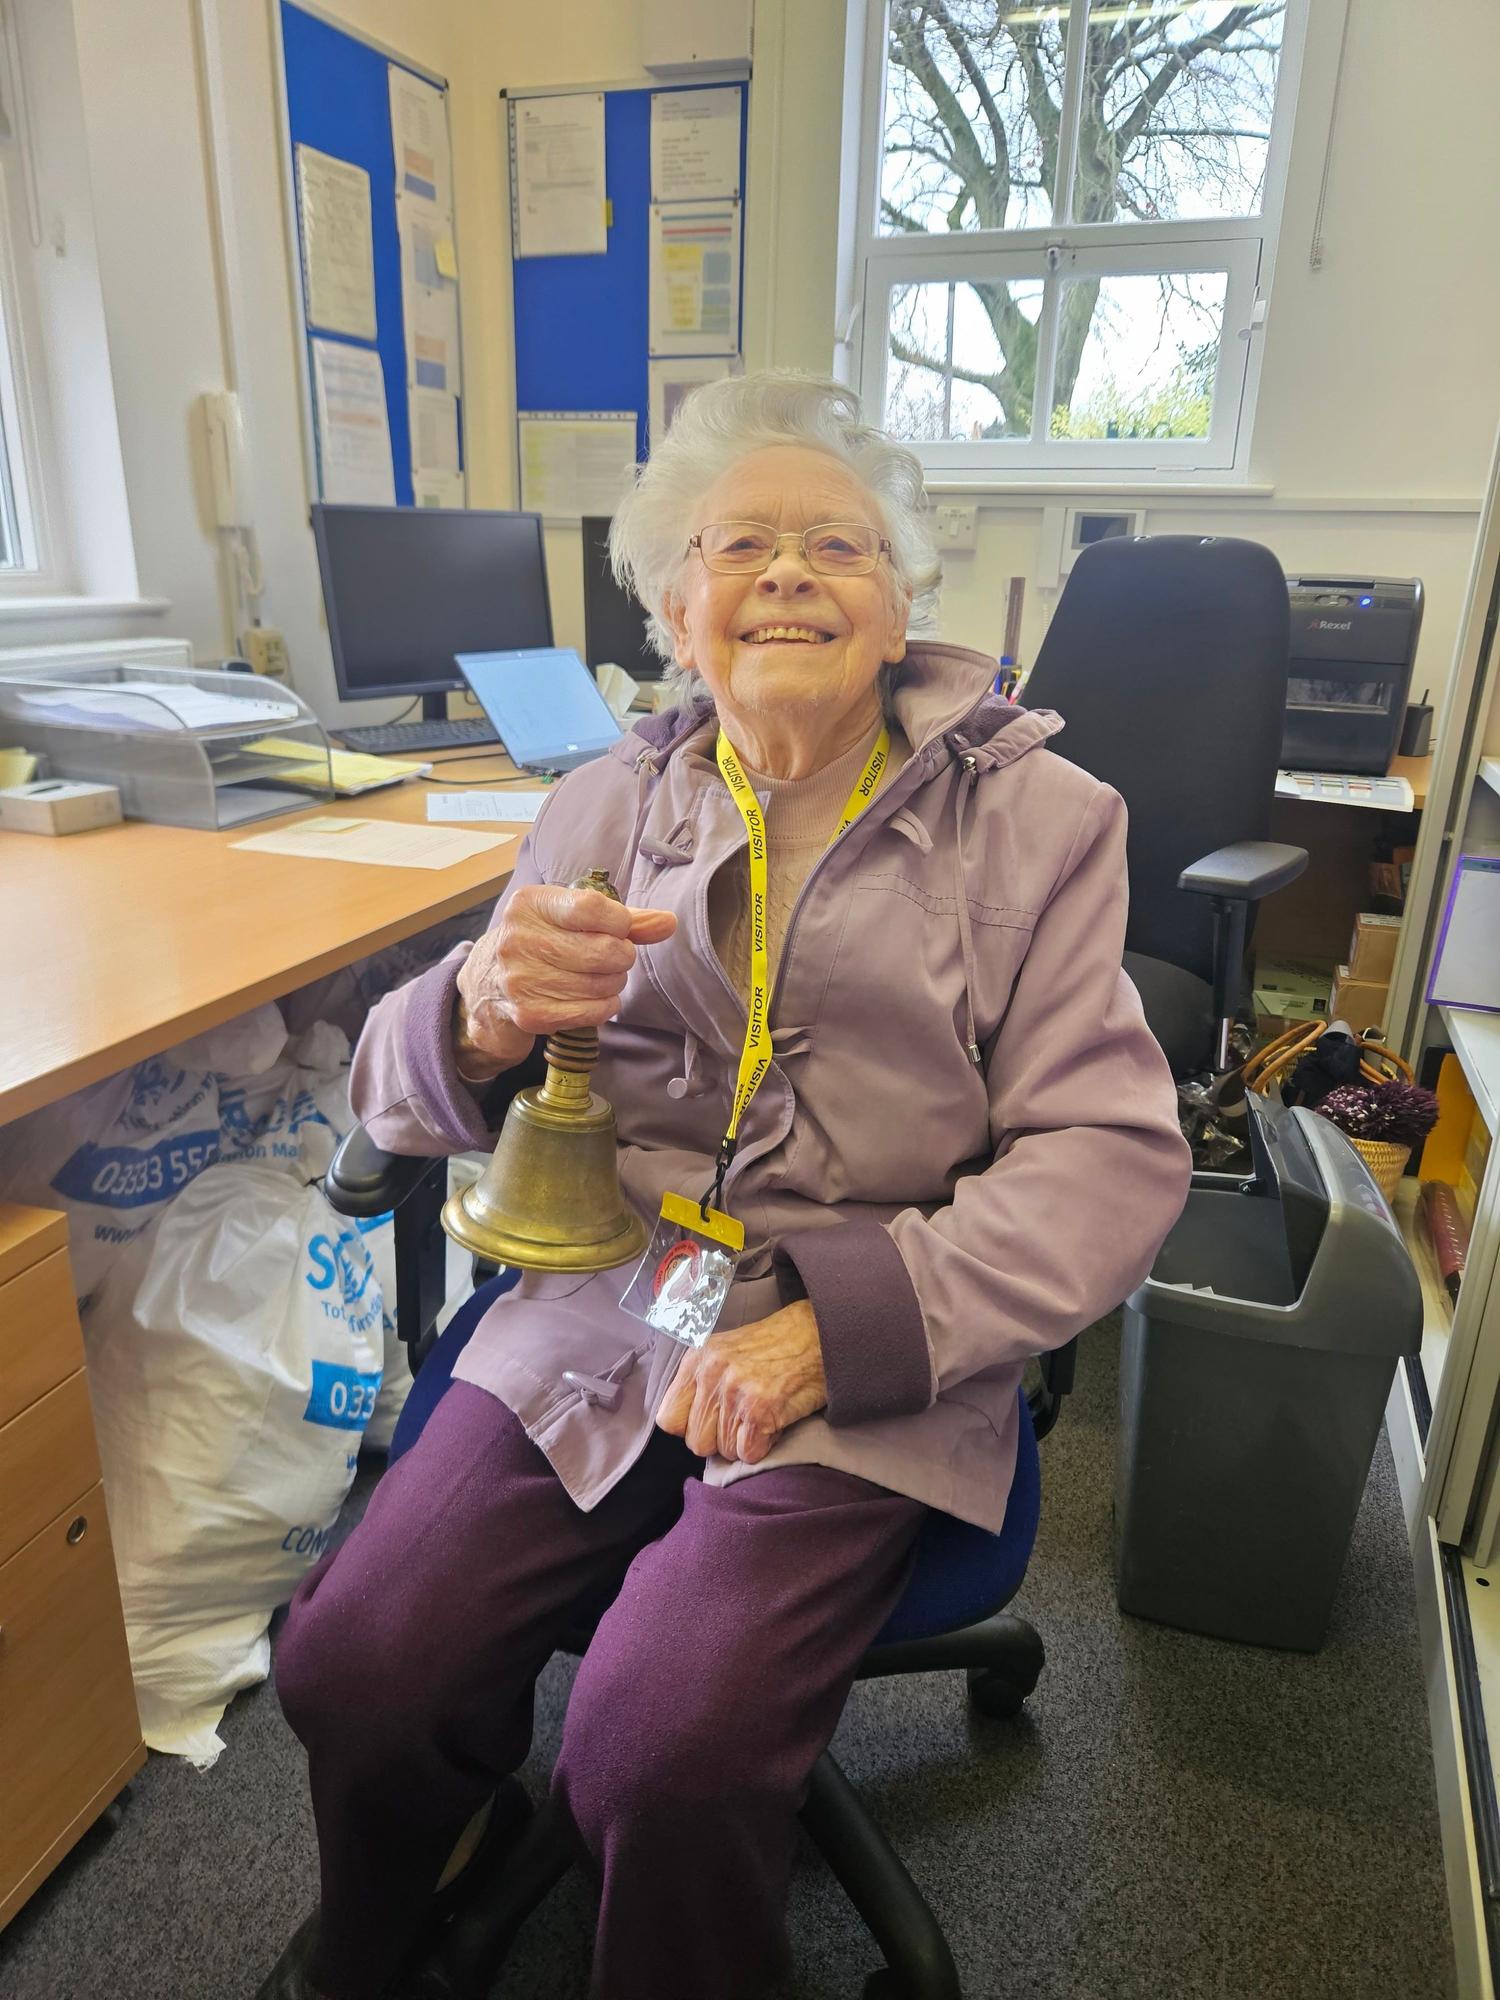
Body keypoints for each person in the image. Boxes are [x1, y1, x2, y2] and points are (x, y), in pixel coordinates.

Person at [257, 372, 1192, 2000]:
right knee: (355, 1654)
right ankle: (405, 1904)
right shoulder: (605, 799)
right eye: (737, 543)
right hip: (607, 1297)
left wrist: (842, 1331)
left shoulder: (1043, 823)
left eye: (838, 541)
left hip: (871, 1334)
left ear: (902, 605)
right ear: (675, 609)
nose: (785, 572)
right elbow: (385, 1094)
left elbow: (1108, 1158)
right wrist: (474, 1011)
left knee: (657, 1751)